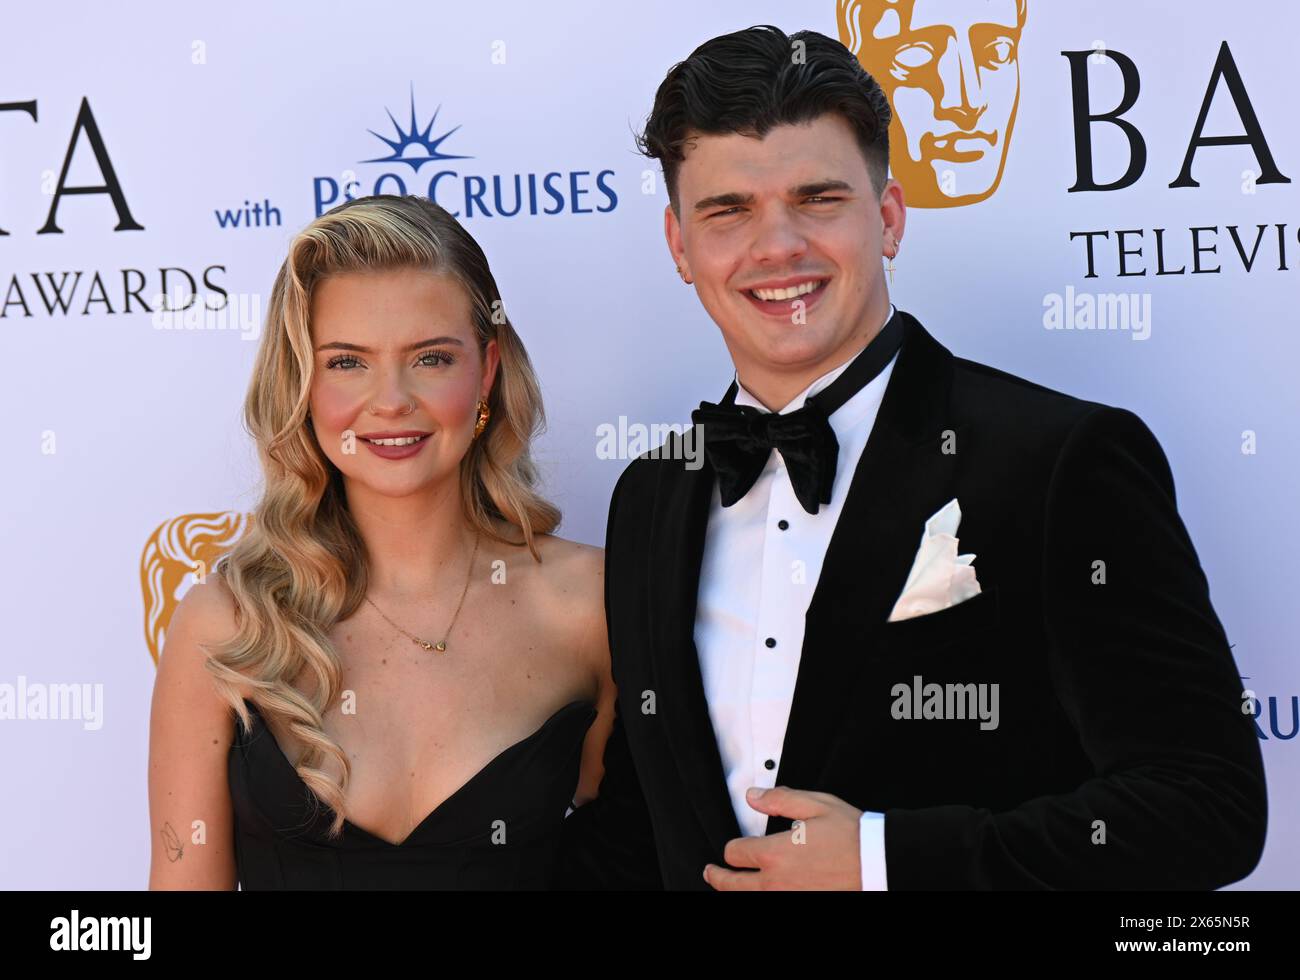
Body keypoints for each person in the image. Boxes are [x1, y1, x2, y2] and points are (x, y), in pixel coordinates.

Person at [558, 25, 1266, 890]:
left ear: (888, 218)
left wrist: (885, 861)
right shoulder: (653, 492)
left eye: (819, 199)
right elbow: (647, 818)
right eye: (728, 210)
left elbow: (1207, 805)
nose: (777, 245)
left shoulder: (1059, 461)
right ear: (680, 246)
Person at [148, 194, 616, 889]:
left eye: (430, 357)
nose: (391, 399)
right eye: (347, 362)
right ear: (301, 385)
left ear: (486, 371)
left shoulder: (592, 606)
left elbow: (639, 860)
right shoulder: (226, 626)